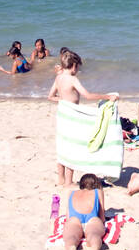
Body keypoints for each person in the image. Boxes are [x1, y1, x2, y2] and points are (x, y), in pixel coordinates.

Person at [49, 50, 120, 185]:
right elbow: (87, 95)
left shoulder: (58, 78)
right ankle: (68, 182)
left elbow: (50, 96)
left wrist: (63, 100)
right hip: (71, 114)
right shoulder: (72, 79)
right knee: (71, 146)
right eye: (78, 67)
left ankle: (61, 179)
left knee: (62, 145)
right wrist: (107, 96)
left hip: (62, 112)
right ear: (74, 65)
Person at [61, 173, 106, 250]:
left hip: (74, 219)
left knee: (71, 236)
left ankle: (71, 247)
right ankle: (94, 248)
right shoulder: (98, 192)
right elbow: (102, 216)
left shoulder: (71, 193)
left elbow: (68, 216)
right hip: (92, 218)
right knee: (94, 235)